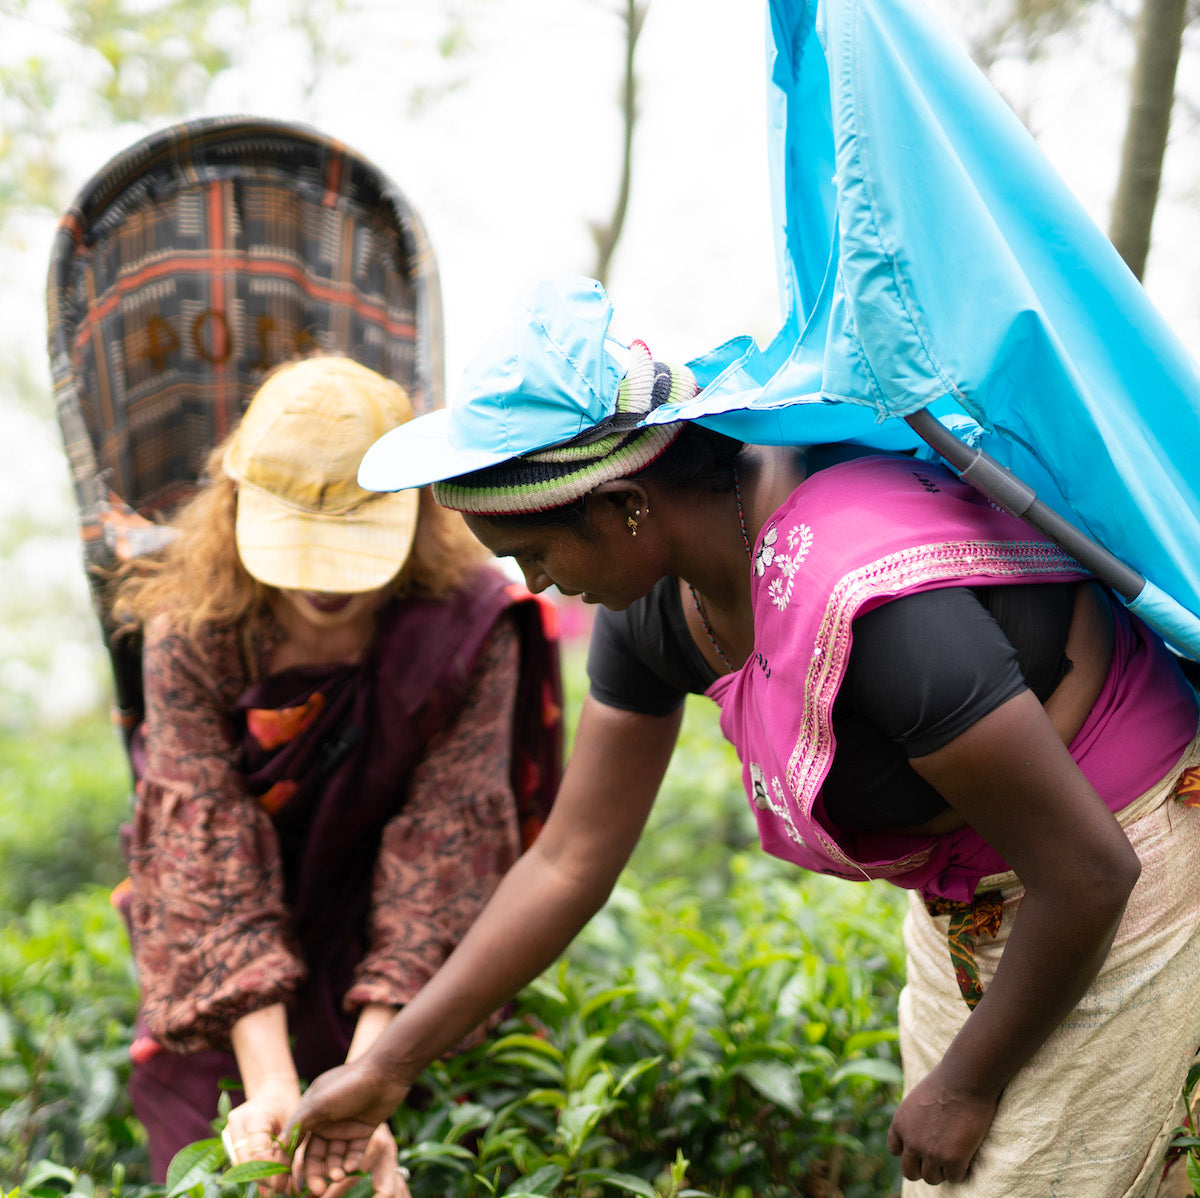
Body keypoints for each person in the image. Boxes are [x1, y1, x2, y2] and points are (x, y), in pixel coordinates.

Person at [285, 279, 1200, 1197]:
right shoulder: (652, 607)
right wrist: (387, 1068)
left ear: (623, 506)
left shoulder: (873, 601)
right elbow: (569, 859)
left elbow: (1087, 871)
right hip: (977, 895)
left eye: (537, 554)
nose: (536, 585)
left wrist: (965, 1083)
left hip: (1117, 860)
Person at [109, 355, 562, 1192]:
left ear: (415, 509)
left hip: (402, 983)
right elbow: (204, 851)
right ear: (238, 505)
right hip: (229, 979)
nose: (322, 583)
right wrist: (272, 1081)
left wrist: (372, 1083)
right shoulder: (194, 633)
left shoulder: (465, 631)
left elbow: (443, 853)